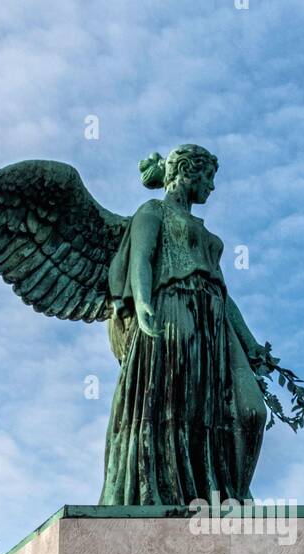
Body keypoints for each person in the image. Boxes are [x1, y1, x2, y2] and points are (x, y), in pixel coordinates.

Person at [101, 144, 270, 504]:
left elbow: (223, 292)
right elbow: (141, 260)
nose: (211, 186)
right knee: (172, 409)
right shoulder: (153, 212)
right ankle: (170, 493)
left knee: (251, 410)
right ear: (188, 172)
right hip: (171, 312)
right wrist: (143, 302)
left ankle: (230, 494)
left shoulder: (203, 232)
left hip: (214, 323)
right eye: (208, 177)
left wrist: (251, 343)